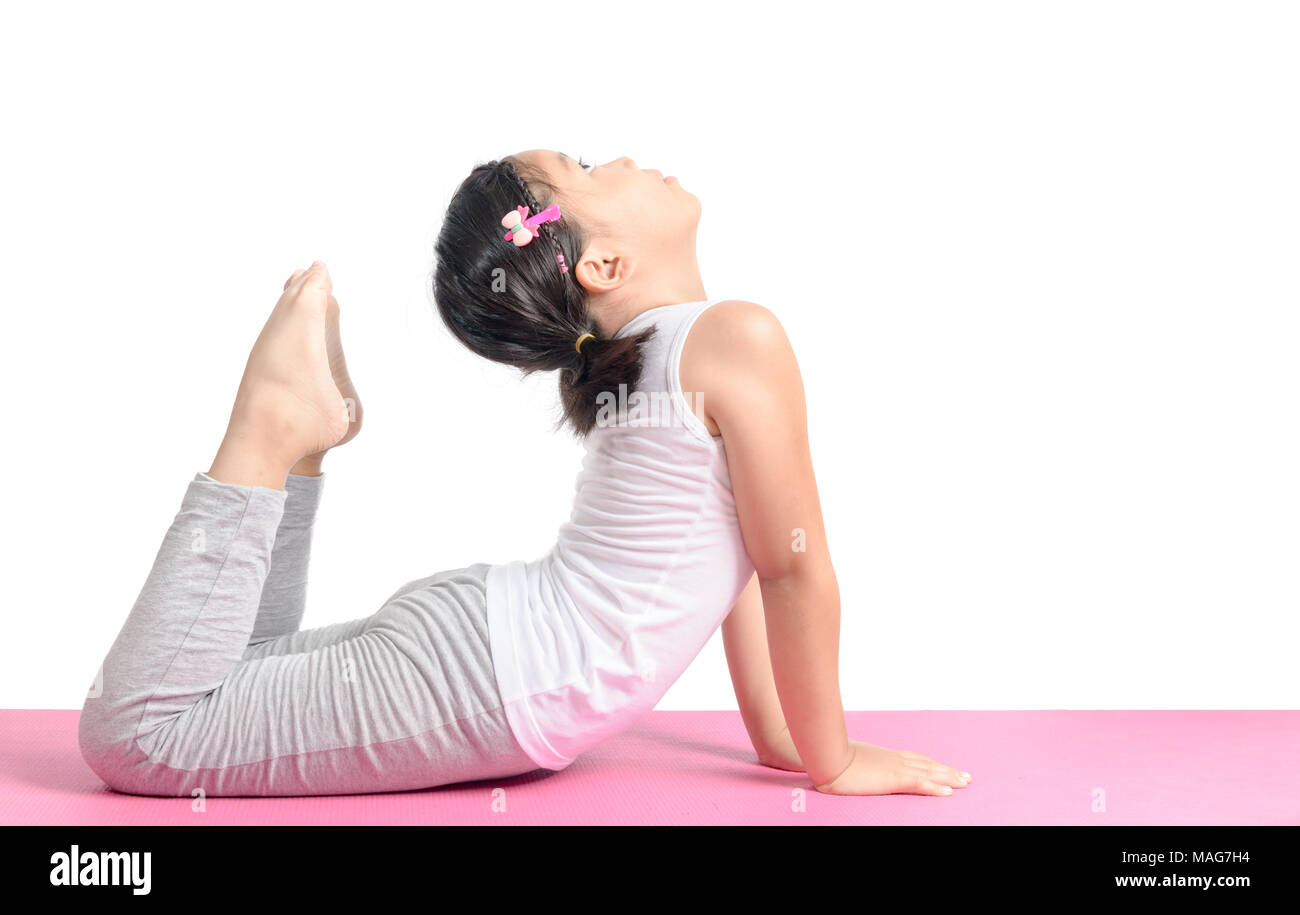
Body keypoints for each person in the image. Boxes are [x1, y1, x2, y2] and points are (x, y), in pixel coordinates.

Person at [78, 151, 972, 798]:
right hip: (486, 679)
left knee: (224, 679)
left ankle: (298, 451)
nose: (622, 158)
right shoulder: (733, 339)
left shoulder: (661, 352)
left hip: (478, 652)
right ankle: (269, 439)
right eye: (587, 167)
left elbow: (746, 560)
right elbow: (791, 567)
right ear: (603, 265)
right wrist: (832, 759)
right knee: (139, 736)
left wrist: (779, 734)